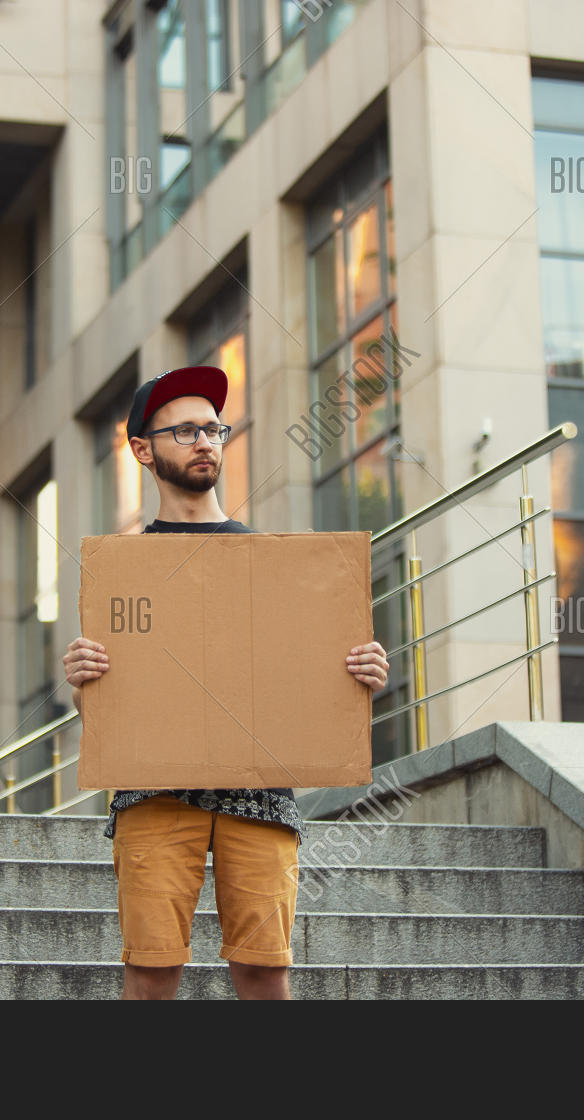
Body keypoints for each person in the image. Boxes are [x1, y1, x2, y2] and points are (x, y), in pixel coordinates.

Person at [62, 365, 389, 1000]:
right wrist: (85, 681)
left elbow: (300, 678)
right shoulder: (121, 574)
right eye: (184, 430)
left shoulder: (274, 562)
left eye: (213, 428)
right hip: (154, 793)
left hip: (260, 790)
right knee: (151, 971)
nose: (205, 441)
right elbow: (110, 705)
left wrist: (356, 675)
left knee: (266, 971)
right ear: (141, 449)